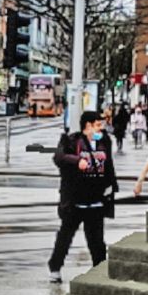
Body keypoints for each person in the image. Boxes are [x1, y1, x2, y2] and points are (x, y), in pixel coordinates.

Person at [49, 110, 117, 283]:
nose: (101, 128)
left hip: (96, 200)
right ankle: (55, 268)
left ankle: (100, 270)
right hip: (75, 200)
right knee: (65, 236)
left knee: (97, 240)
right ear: (88, 125)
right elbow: (58, 157)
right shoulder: (71, 140)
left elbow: (109, 166)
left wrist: (111, 188)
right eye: (98, 125)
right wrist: (77, 161)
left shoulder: (105, 142)